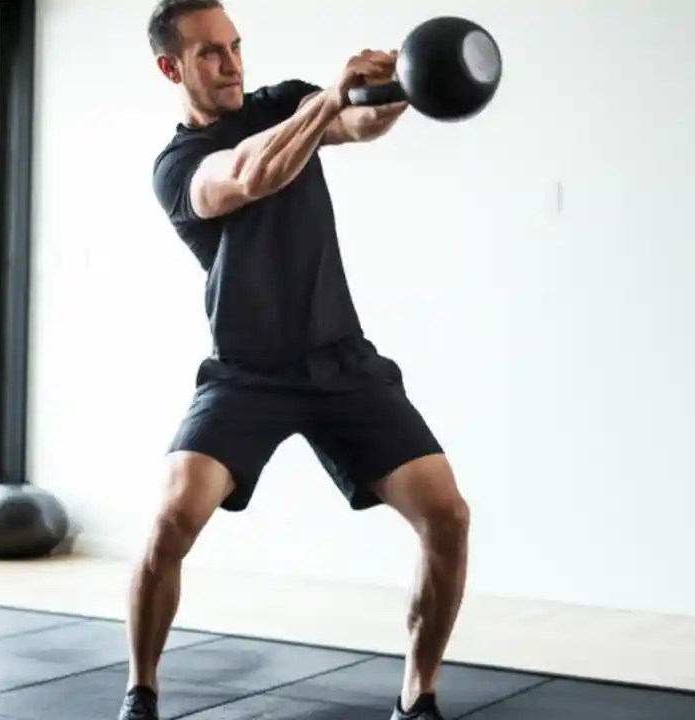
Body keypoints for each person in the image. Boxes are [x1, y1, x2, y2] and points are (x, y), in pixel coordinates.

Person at [120, 2, 472, 719]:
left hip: (341, 363)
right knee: (170, 523)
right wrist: (328, 100)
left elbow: (357, 124)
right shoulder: (178, 166)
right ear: (171, 67)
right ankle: (141, 690)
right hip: (247, 372)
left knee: (448, 516)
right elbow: (252, 174)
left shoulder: (282, 102)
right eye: (210, 54)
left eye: (235, 47)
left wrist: (403, 84)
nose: (232, 64)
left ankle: (418, 691)